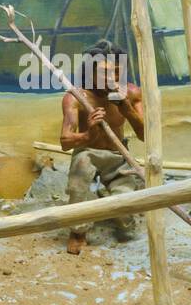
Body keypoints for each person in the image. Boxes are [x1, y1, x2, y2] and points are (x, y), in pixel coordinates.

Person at [60, 40, 145, 255]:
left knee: (125, 212)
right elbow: (65, 142)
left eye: (117, 73)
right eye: (105, 74)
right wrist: (88, 134)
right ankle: (78, 231)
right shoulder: (77, 97)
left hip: (118, 154)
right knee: (79, 180)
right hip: (88, 151)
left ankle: (113, 202)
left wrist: (126, 109)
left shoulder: (132, 92)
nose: (113, 80)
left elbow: (145, 135)